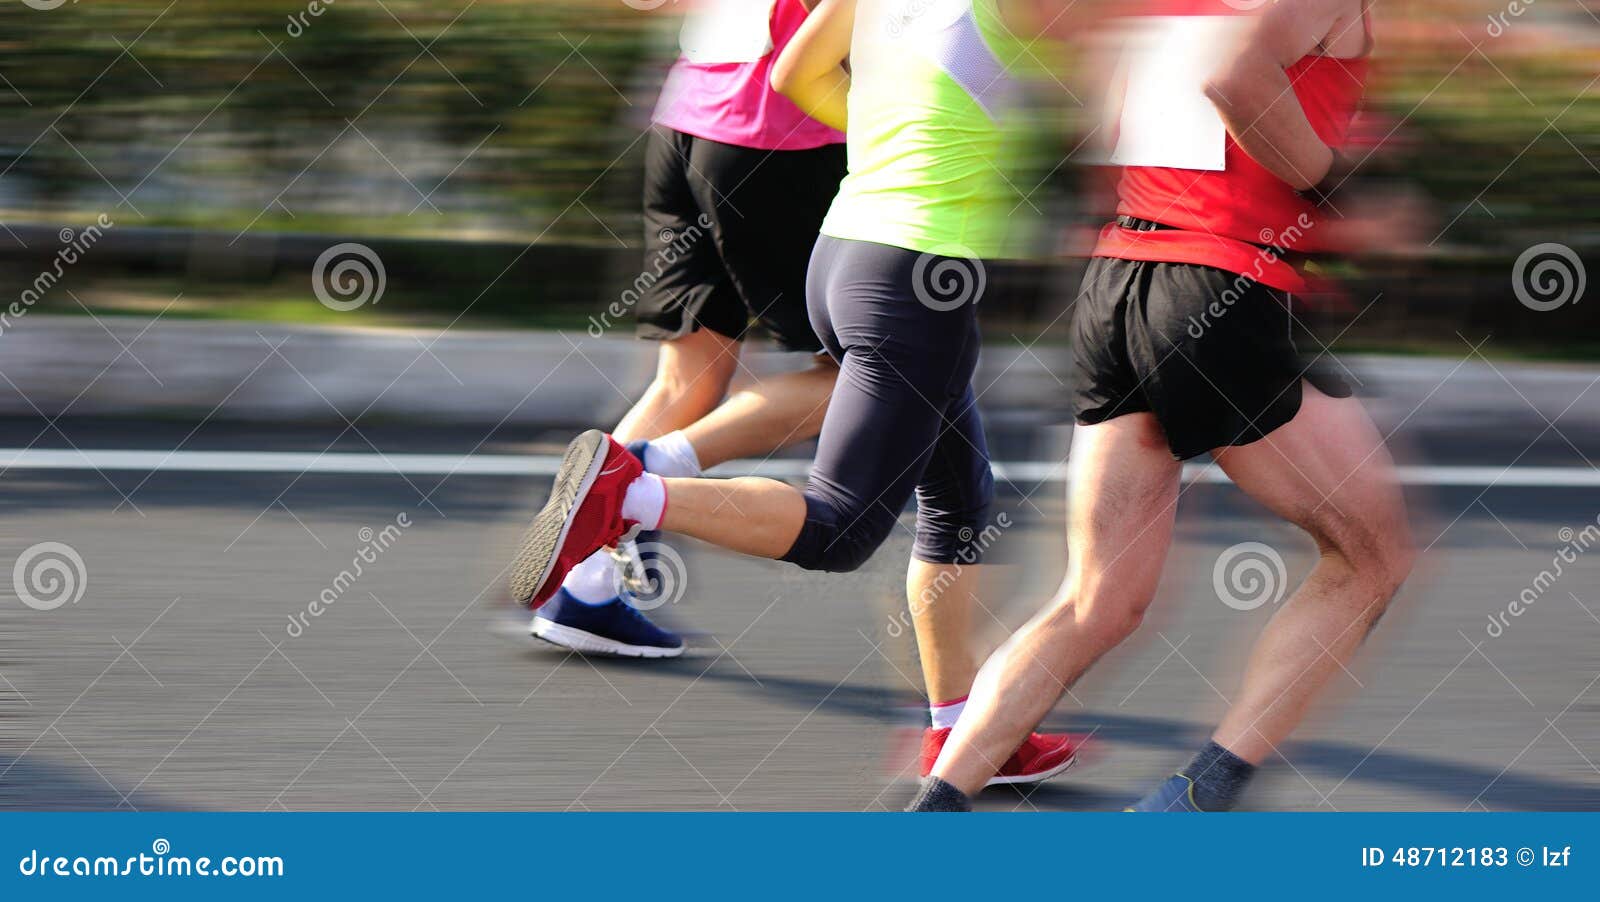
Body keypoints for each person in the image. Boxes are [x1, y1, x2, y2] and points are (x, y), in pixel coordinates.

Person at [513, 0, 1087, 785]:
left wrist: (888, 132)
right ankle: (630, 490)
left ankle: (960, 730)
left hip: (845, 250)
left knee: (958, 498)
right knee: (841, 527)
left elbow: (796, 72)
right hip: (918, 273)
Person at [905, 0, 1417, 812]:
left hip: (1117, 284)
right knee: (1373, 557)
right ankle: (1194, 802)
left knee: (1094, 601)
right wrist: (1339, 192)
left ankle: (932, 811)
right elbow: (1233, 79)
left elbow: (1112, 87)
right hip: (1221, 292)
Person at [531, 0, 846, 659]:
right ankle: (643, 471)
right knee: (869, 376)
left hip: (684, 126)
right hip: (777, 138)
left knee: (689, 377)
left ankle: (582, 590)